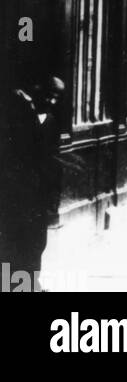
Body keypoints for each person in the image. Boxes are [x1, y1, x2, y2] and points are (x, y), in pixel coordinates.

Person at [0, 76, 64, 284]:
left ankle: (30, 282)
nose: (52, 101)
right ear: (38, 92)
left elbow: (54, 159)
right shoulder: (21, 117)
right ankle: (16, 283)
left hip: (40, 192)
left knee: (38, 241)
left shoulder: (52, 122)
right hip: (18, 191)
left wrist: (53, 196)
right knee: (17, 239)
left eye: (56, 98)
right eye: (49, 95)